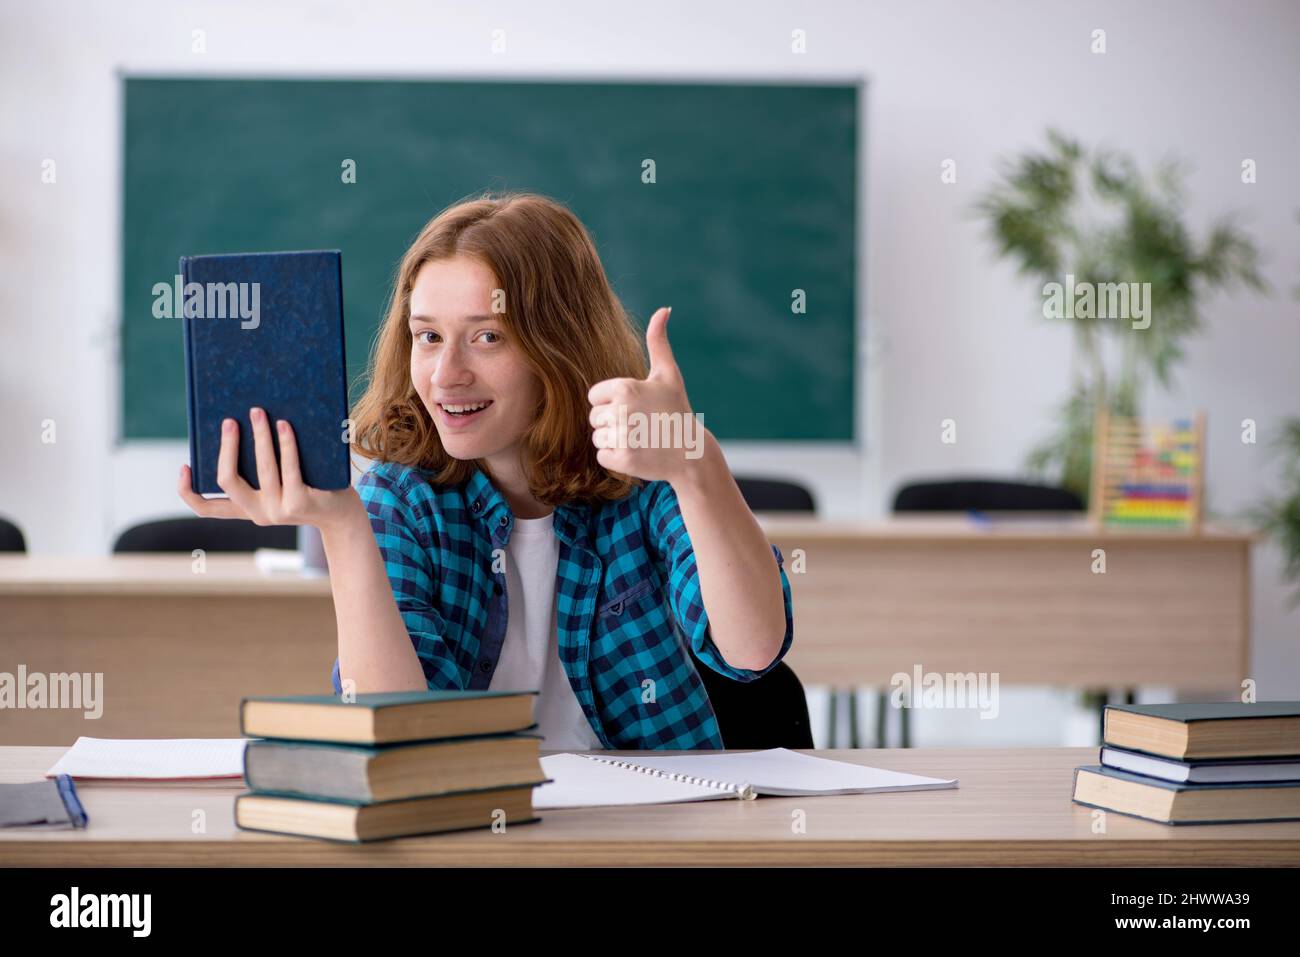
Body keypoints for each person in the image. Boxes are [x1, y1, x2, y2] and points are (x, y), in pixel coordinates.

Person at [179, 191, 794, 750]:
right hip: (472, 833)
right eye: (427, 337)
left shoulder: (646, 479)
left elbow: (753, 649)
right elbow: (392, 731)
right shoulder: (401, 499)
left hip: (648, 835)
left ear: (561, 344)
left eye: (487, 338)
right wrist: (342, 528)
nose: (446, 374)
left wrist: (697, 463)